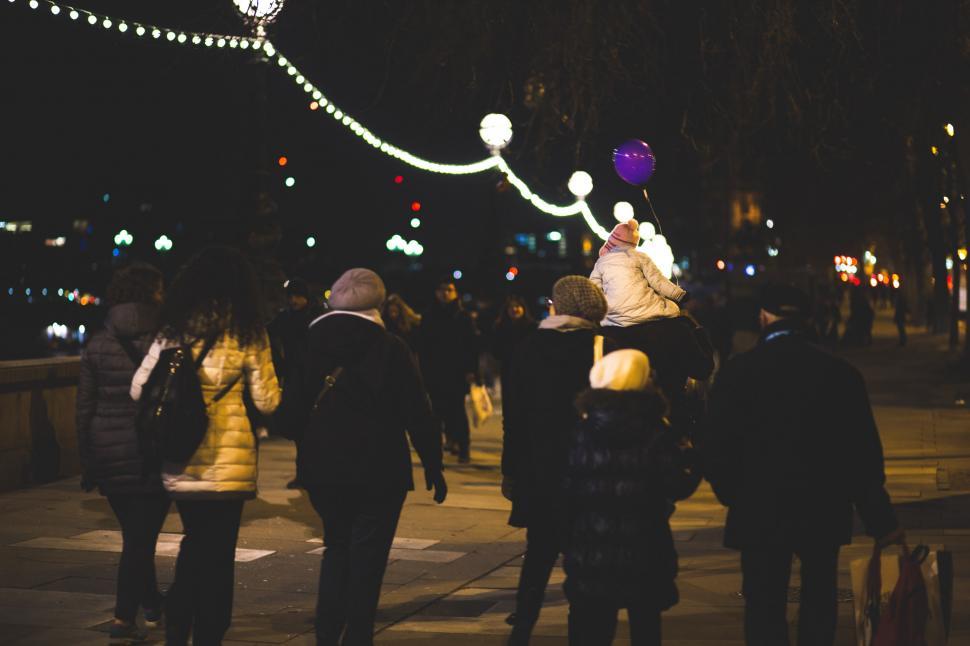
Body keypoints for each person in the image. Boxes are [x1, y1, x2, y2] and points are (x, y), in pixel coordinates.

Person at [701, 284, 904, 646]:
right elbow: (862, 453)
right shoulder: (840, 373)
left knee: (763, 604)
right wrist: (880, 518)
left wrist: (733, 493)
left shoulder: (739, 372)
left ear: (764, 318)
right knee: (820, 600)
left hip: (759, 503)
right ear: (809, 320)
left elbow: (715, 445)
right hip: (823, 504)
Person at [131, 246, 281, 646]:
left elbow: (138, 389)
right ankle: (211, 633)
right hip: (231, 462)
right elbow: (268, 401)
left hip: (181, 458)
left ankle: (177, 624)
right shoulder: (249, 331)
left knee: (193, 541)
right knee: (220, 552)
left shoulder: (172, 329)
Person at [290, 268, 447, 646]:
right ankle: (358, 635)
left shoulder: (312, 341)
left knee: (336, 548)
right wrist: (432, 463)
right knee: (369, 559)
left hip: (325, 469)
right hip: (379, 469)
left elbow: (291, 409)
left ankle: (326, 634)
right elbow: (417, 410)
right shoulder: (391, 347)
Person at [501, 275, 611, 645]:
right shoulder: (604, 347)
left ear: (560, 305)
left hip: (541, 468)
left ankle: (521, 630)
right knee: (586, 564)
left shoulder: (530, 346)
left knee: (538, 556)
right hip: (590, 471)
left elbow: (513, 417)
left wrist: (511, 470)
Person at [564, 349, 699, 646]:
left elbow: (569, 490)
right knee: (646, 626)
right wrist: (692, 459)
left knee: (595, 628)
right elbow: (677, 485)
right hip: (644, 545)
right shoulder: (656, 430)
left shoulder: (584, 429)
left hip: (594, 547)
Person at [76, 263, 169, 643]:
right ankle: (122, 618)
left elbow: (84, 407)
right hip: (152, 451)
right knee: (139, 539)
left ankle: (151, 603)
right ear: (154, 294)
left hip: (107, 450)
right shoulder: (167, 340)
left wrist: (89, 462)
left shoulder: (97, 343)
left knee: (135, 533)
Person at [590, 220, 713, 421]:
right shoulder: (676, 329)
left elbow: (593, 292)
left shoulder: (602, 339)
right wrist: (682, 297)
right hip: (668, 415)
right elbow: (702, 369)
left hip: (622, 422)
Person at [418, 278, 480, 463]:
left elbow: (471, 346)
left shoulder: (462, 316)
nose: (445, 293)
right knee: (437, 412)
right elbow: (423, 345)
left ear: (455, 293)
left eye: (449, 290)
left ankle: (463, 447)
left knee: (457, 411)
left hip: (457, 372)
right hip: (435, 372)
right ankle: (440, 446)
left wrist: (472, 371)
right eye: (442, 289)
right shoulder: (429, 315)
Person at [268, 277, 318, 488]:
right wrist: (279, 364)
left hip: (313, 377)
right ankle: (304, 474)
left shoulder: (315, 318)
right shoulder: (285, 318)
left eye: (298, 296)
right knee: (299, 428)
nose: (294, 301)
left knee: (312, 428)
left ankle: (312, 473)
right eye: (291, 296)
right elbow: (266, 335)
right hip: (294, 377)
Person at [491, 295, 536, 396]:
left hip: (528, 371)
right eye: (511, 307)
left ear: (523, 308)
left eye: (517, 306)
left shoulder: (532, 327)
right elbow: (495, 351)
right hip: (508, 370)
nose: (514, 309)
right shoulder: (500, 327)